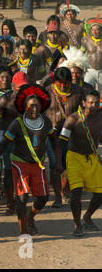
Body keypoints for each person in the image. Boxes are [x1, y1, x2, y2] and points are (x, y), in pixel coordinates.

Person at [0, 84, 56, 235]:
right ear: (24, 107)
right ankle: (23, 230)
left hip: (39, 164)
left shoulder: (46, 121)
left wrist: (57, 161)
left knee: (43, 198)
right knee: (22, 198)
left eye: (37, 106)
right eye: (31, 106)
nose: (34, 109)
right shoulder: (17, 123)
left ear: (42, 106)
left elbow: (54, 141)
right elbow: (4, 142)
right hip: (20, 164)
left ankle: (30, 217)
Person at [58, 90, 101, 236]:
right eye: (90, 102)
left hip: (92, 158)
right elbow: (61, 142)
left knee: (100, 194)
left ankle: (87, 217)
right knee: (76, 193)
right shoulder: (73, 119)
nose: (93, 105)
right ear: (84, 103)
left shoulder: (101, 118)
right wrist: (59, 164)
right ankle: (77, 225)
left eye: (96, 102)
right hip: (74, 157)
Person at [44, 67, 84, 208]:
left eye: (65, 83)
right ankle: (57, 198)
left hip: (71, 134)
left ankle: (64, 191)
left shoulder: (79, 91)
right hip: (52, 134)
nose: (62, 86)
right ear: (55, 81)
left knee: (68, 164)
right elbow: (40, 111)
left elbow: (84, 112)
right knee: (55, 164)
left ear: (70, 81)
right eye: (59, 83)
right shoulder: (47, 91)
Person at [0, 71, 30, 214]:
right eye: (20, 88)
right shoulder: (5, 100)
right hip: (7, 138)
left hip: (26, 140)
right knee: (8, 171)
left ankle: (20, 200)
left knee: (24, 172)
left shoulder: (33, 99)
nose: (23, 91)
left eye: (25, 87)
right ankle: (11, 202)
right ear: (13, 86)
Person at [81, 16, 102, 90]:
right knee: (87, 90)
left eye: (97, 30)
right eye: (93, 30)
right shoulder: (86, 40)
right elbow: (81, 53)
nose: (95, 32)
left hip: (101, 70)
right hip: (89, 70)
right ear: (90, 30)